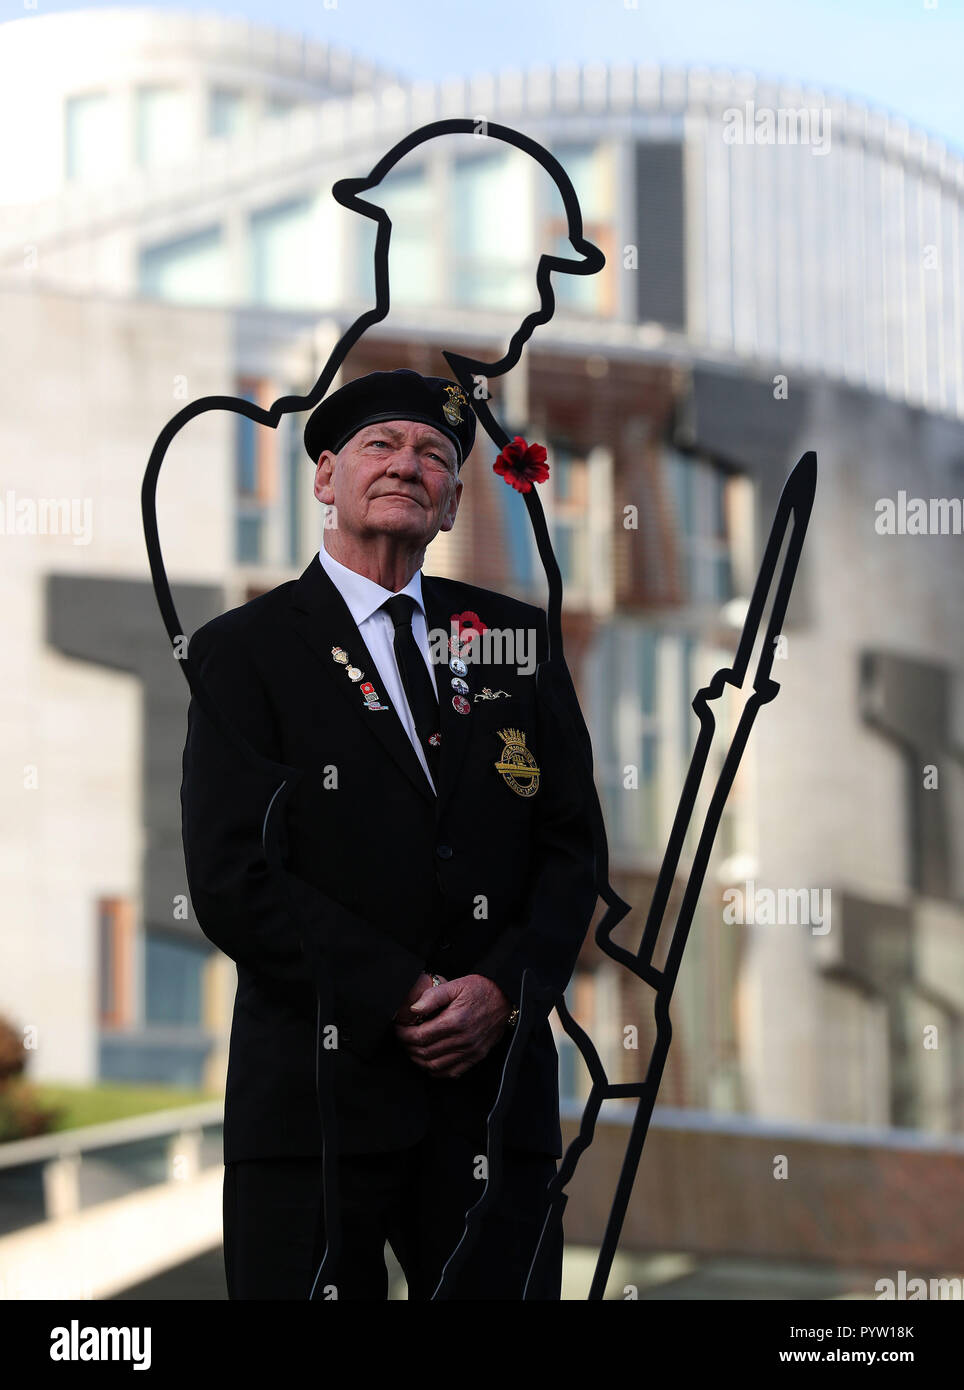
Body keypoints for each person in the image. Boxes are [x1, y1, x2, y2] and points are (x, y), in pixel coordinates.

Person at [180, 368, 597, 1300]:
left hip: (493, 1109)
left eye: (434, 456)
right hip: (315, 1105)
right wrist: (399, 991)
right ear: (326, 477)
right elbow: (234, 874)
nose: (408, 465)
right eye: (381, 445)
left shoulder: (514, 641)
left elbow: (573, 853)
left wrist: (500, 989)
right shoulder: (244, 650)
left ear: (453, 504)